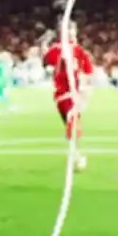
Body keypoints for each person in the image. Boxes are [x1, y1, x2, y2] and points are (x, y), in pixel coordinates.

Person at [43, 22, 95, 171]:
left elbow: (87, 72)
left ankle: (76, 155)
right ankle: (76, 156)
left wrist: (84, 93)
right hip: (65, 95)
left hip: (69, 95)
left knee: (72, 126)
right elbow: (48, 61)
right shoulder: (62, 49)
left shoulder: (77, 51)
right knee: (72, 127)